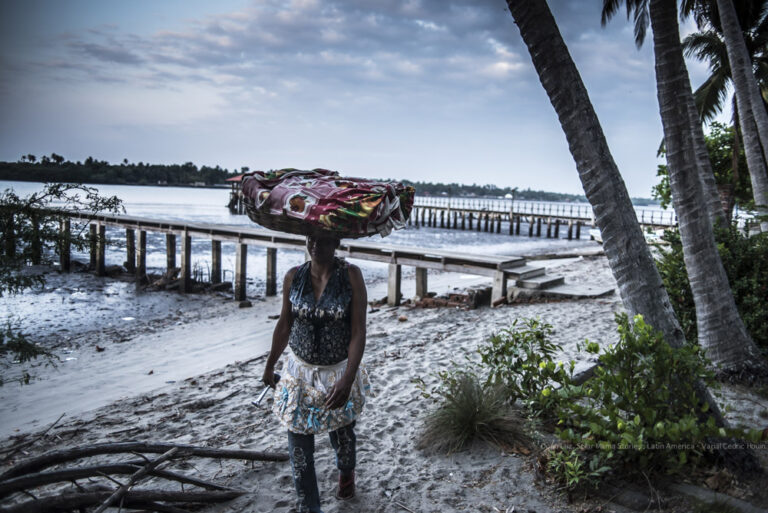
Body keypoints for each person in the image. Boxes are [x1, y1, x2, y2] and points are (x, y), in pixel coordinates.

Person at [262, 233, 370, 513]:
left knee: (342, 434)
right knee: (298, 442)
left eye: (322, 240)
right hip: (299, 372)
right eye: (311, 239)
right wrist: (270, 364)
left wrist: (348, 378)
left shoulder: (351, 276)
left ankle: (346, 473)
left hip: (337, 371)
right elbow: (285, 324)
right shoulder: (294, 276)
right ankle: (308, 506)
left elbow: (358, 331)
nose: (315, 245)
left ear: (336, 243)